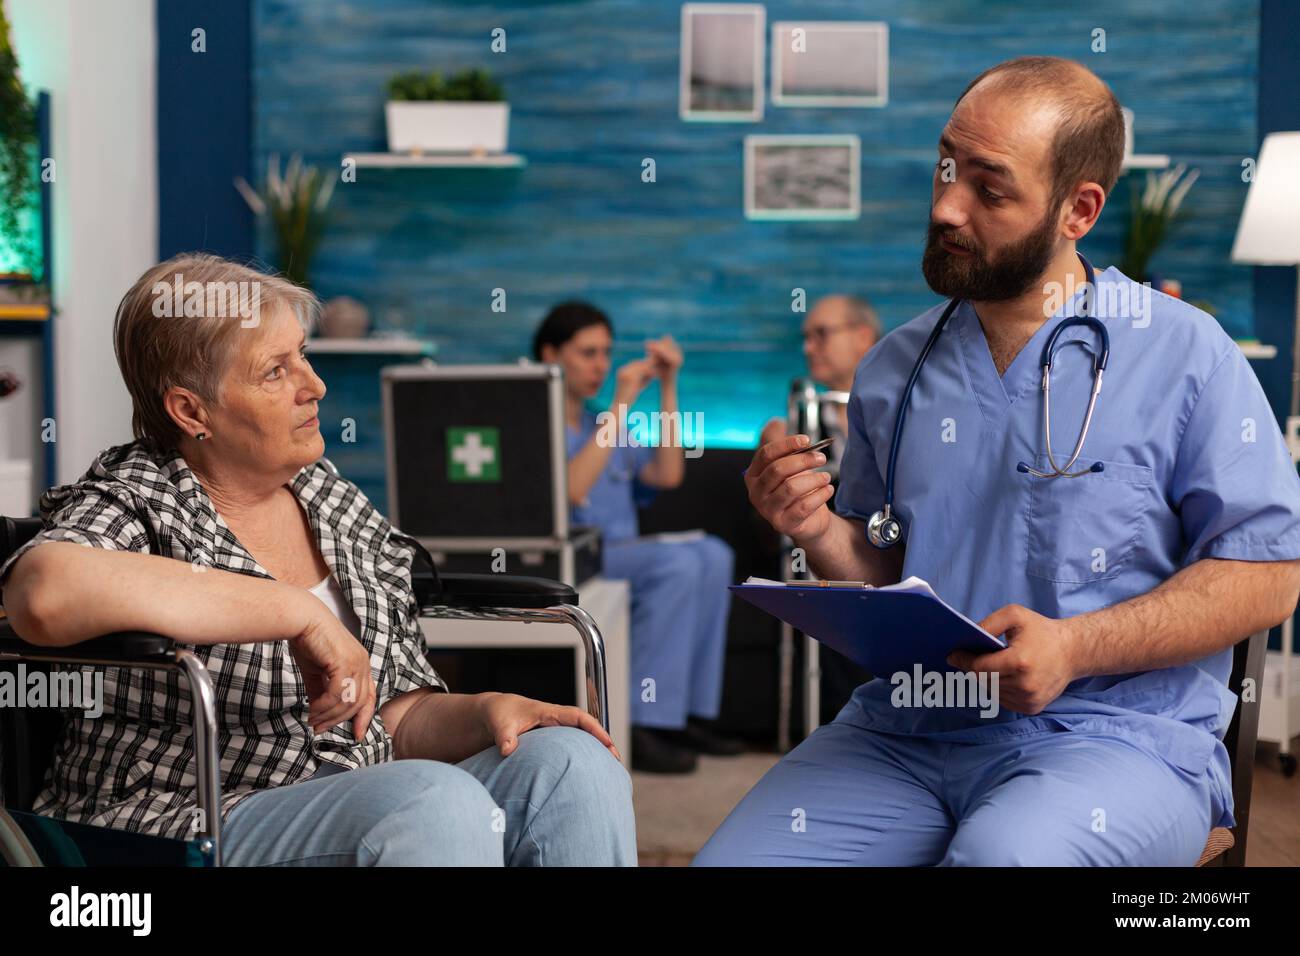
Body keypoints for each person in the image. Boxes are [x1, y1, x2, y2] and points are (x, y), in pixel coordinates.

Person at [696, 56, 1300, 866]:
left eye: (990, 187)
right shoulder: (895, 368)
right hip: (909, 726)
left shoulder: (1185, 354)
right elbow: (890, 574)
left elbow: (1268, 573)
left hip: (1113, 740)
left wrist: (1074, 647)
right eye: (947, 166)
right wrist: (813, 528)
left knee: (1001, 859)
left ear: (1077, 209)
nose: (946, 206)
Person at [0, 254, 637, 866]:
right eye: (275, 370)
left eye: (301, 354)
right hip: (179, 815)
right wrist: (293, 609)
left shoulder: (328, 497)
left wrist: (482, 708)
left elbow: (391, 719)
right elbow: (42, 592)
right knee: (429, 803)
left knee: (571, 766)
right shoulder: (143, 498)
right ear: (191, 410)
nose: (316, 386)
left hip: (348, 792)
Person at [534, 302, 741, 774]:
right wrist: (621, 401)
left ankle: (685, 714)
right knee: (680, 563)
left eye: (605, 353)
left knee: (715, 554)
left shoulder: (602, 425)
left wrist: (667, 386)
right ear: (551, 354)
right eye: (587, 353)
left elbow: (667, 474)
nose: (600, 366)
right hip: (581, 559)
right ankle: (644, 724)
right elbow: (571, 491)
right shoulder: (542, 426)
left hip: (625, 554)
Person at [760, 294, 882, 477]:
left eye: (821, 333)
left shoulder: (905, 418)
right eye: (806, 338)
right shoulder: (785, 435)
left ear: (863, 337)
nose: (807, 349)